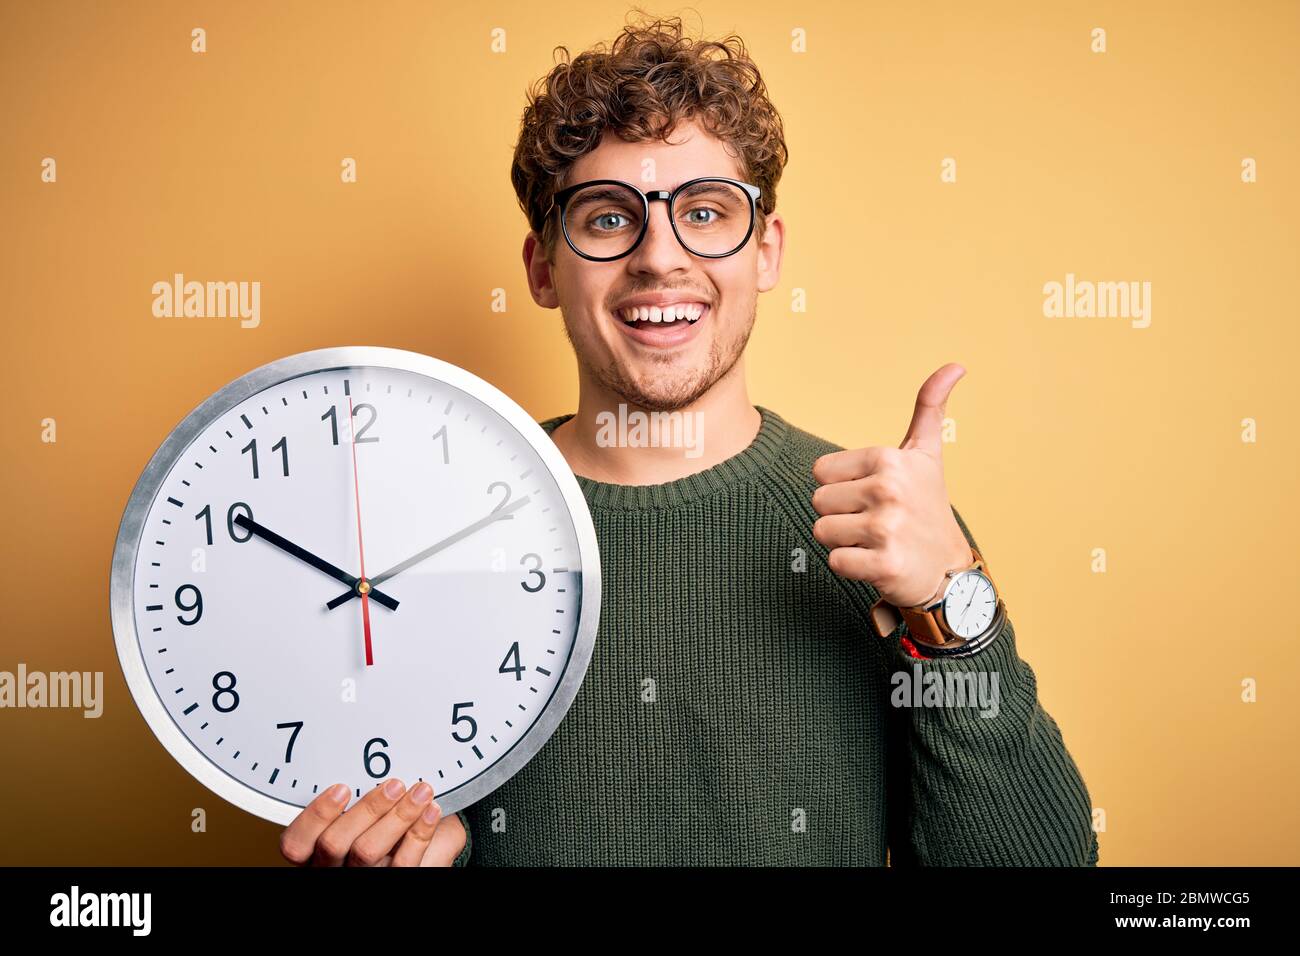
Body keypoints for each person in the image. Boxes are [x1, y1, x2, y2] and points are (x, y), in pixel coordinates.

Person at [279, 14, 1098, 867]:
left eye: (705, 212)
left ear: (767, 250)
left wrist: (953, 608)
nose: (659, 258)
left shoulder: (883, 530)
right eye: (605, 219)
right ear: (542, 267)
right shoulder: (412, 544)